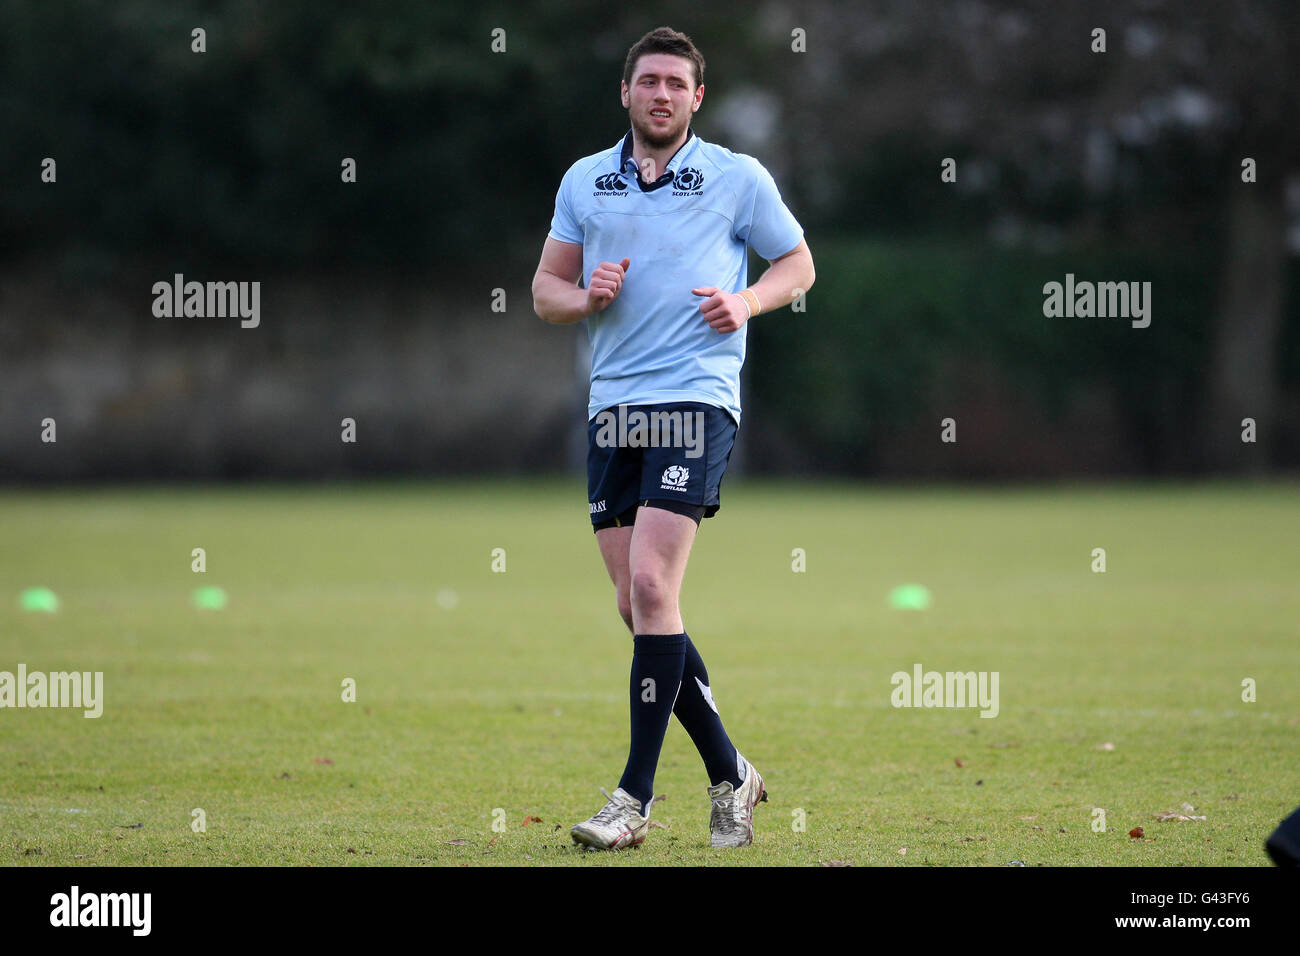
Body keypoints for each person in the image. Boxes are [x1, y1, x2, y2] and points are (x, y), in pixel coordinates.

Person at [531, 26, 815, 850]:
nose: (661, 94)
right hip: (613, 409)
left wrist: (751, 303)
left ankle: (634, 799)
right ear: (626, 92)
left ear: (697, 98)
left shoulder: (738, 178)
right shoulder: (586, 181)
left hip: (694, 402)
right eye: (648, 80)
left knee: (654, 587)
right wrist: (585, 298)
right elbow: (546, 290)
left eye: (676, 84)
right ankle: (732, 773)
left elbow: (797, 264)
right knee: (637, 607)